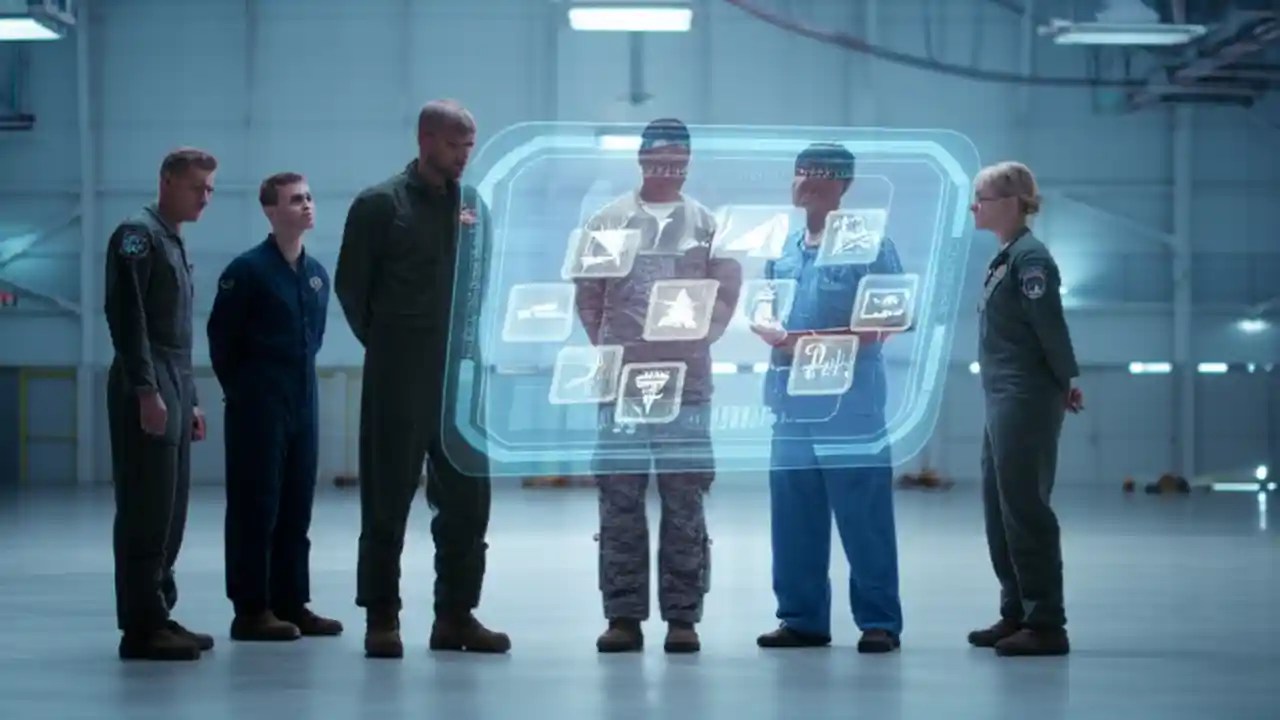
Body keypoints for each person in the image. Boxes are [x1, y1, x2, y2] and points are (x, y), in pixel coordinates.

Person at [335, 98, 508, 658]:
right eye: (455, 144)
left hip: (460, 380)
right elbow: (351, 291)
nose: (464, 156)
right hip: (399, 377)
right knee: (386, 500)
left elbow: (481, 284)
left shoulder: (474, 207)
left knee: (467, 503)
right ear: (426, 139)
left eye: (470, 146)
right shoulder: (379, 206)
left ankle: (456, 616)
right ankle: (382, 618)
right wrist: (393, 346)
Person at [574, 118, 742, 654]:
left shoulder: (708, 226)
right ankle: (622, 615)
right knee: (619, 500)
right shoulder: (608, 220)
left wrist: (698, 342)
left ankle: (683, 617)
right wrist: (614, 347)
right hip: (622, 384)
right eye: (661, 159)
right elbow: (589, 296)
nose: (670, 169)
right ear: (642, 161)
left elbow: (726, 295)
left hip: (687, 386)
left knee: (685, 499)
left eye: (680, 160)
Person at [750, 143, 905, 654]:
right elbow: (766, 308)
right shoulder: (784, 249)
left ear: (842, 184)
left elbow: (888, 320)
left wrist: (808, 345)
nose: (802, 183)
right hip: (791, 405)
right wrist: (766, 327)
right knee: (793, 518)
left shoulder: (870, 244)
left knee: (864, 517)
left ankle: (879, 621)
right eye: (797, 173)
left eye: (814, 175)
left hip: (848, 404)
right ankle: (802, 618)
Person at [207, 172, 344, 642]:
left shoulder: (315, 275)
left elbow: (314, 340)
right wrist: (245, 394)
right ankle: (250, 609)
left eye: (309, 197)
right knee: (255, 506)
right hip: (257, 403)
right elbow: (221, 342)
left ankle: (291, 601)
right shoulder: (246, 272)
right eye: (293, 200)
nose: (306, 206)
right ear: (270, 210)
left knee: (296, 506)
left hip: (302, 400)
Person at [104, 147, 218, 661]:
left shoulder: (172, 240)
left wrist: (189, 398)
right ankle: (141, 627)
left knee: (172, 510)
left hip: (172, 376)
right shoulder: (138, 236)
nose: (206, 198)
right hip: (143, 377)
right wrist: (147, 391)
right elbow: (129, 320)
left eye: (211, 189)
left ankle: (159, 613)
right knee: (145, 508)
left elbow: (180, 334)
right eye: (198, 187)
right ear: (167, 181)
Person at [967, 161, 1082, 657]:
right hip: (1001, 397)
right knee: (999, 507)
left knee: (1025, 507)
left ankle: (1045, 621)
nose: (975, 207)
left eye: (983, 198)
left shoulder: (1031, 259)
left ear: (1012, 203)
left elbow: (1049, 326)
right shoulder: (1005, 258)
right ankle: (1015, 611)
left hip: (1024, 396)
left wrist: (1066, 379)